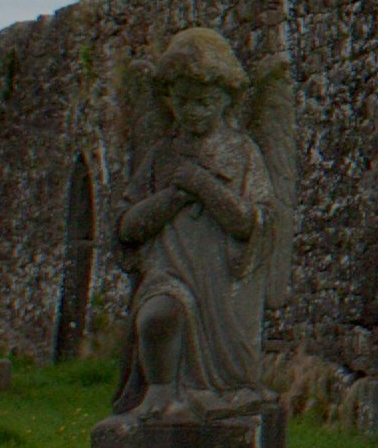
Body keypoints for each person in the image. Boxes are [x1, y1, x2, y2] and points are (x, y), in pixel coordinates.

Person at [108, 26, 275, 413]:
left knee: (228, 362)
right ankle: (162, 390)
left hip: (222, 279)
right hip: (169, 271)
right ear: (168, 99)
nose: (192, 111)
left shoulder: (243, 152)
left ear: (226, 98)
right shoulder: (161, 154)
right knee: (156, 316)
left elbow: (252, 223)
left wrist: (201, 183)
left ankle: (221, 391)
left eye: (205, 101)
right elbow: (128, 226)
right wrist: (173, 195)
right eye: (182, 101)